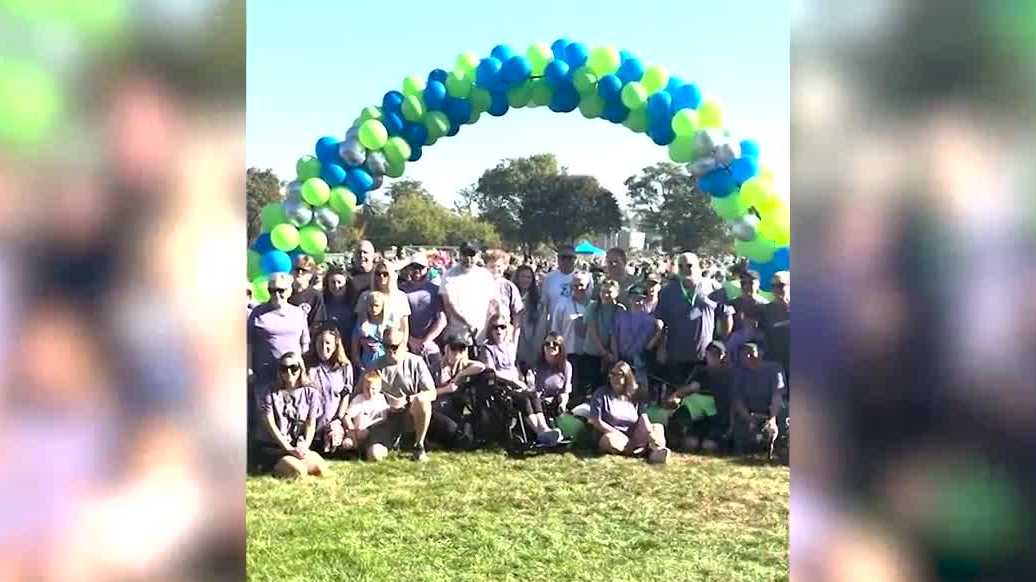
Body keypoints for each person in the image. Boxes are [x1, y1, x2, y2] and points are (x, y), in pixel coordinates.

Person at [254, 352, 329, 478]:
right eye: (284, 369)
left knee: (321, 469)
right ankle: (273, 467)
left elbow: (311, 424)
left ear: (301, 369)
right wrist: (288, 448)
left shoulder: (311, 392)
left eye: (293, 368)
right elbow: (271, 426)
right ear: (279, 371)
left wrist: (304, 446)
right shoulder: (270, 393)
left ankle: (292, 464)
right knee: (299, 472)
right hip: (276, 447)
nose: (289, 372)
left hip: (298, 446)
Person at [656, 252, 723, 386]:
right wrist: (661, 348)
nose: (685, 269)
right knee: (676, 397)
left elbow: (726, 314)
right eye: (681, 266)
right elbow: (662, 323)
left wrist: (722, 344)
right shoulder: (667, 291)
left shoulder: (714, 288)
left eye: (689, 265)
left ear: (698, 267)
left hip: (705, 355)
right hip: (676, 354)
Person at [372, 328, 438, 462]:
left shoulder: (416, 362)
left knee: (422, 400)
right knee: (374, 455)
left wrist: (407, 400)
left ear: (404, 345)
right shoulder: (376, 364)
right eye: (385, 346)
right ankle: (393, 445)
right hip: (386, 418)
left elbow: (432, 392)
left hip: (410, 414)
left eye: (394, 347)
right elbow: (361, 392)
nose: (390, 351)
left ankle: (419, 446)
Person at [588, 360, 670, 464]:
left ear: (627, 377)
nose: (615, 378)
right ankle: (641, 452)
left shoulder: (634, 395)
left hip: (634, 436)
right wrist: (616, 432)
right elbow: (596, 421)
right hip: (612, 434)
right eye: (612, 374)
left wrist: (650, 433)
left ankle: (657, 452)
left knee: (657, 427)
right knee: (609, 440)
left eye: (619, 374)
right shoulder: (601, 394)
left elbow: (643, 417)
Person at [665, 340, 734, 453]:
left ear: (724, 356)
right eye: (710, 353)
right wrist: (675, 396)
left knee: (709, 446)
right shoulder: (701, 371)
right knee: (690, 443)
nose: (713, 357)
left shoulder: (730, 374)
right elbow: (691, 388)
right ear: (706, 354)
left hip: (719, 418)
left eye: (717, 354)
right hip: (699, 417)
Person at [247, 272, 310, 385]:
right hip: (264, 373)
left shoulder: (299, 313)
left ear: (289, 291)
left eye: (281, 290)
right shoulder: (257, 313)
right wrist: (249, 369)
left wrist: (304, 370)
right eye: (272, 290)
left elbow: (304, 343)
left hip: (292, 373)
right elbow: (248, 344)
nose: (276, 294)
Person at [731, 342, 786, 454]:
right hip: (750, 413)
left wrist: (772, 419)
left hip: (771, 410)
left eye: (751, 353)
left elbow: (777, 395)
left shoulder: (774, 368)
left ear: (760, 353)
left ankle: (781, 446)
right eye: (744, 354)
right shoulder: (740, 373)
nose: (748, 357)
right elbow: (738, 400)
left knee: (785, 410)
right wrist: (749, 419)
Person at [306, 326, 354, 455]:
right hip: (309, 423)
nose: (323, 347)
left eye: (328, 343)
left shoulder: (345, 366)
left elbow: (345, 395)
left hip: (332, 422)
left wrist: (338, 419)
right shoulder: (307, 364)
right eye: (320, 342)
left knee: (339, 446)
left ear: (335, 345)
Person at [399, 252, 447, 375]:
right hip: (406, 343)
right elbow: (397, 319)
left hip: (430, 344)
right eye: (414, 267)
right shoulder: (400, 290)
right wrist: (409, 339)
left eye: (420, 267)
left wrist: (426, 340)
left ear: (427, 269)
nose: (417, 270)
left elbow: (441, 319)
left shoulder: (435, 290)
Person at [549, 270, 594, 403]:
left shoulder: (593, 306)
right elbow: (555, 331)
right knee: (570, 389)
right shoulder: (562, 305)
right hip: (569, 353)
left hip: (589, 354)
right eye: (575, 285)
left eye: (582, 285)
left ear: (588, 286)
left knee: (585, 391)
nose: (579, 288)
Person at [611, 284, 665, 389]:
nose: (638, 301)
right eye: (634, 298)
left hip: (641, 362)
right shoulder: (620, 316)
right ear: (629, 299)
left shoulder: (651, 320)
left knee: (639, 392)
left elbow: (654, 343)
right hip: (621, 359)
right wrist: (615, 356)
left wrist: (659, 333)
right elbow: (613, 337)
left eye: (641, 299)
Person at [440, 241, 496, 341]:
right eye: (465, 255)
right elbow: (448, 304)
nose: (468, 259)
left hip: (481, 334)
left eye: (472, 255)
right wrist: (465, 321)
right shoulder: (449, 275)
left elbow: (492, 303)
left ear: (478, 255)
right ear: (460, 255)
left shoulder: (485, 275)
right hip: (456, 334)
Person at [340, 369, 392, 461]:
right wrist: (352, 429)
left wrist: (367, 429)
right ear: (363, 387)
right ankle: (355, 453)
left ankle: (371, 452)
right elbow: (347, 416)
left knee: (375, 452)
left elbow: (383, 418)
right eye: (367, 389)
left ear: (379, 388)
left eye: (373, 389)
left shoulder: (381, 399)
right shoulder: (359, 399)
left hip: (373, 433)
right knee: (347, 444)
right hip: (357, 433)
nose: (370, 392)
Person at [583, 279, 624, 393]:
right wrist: (604, 353)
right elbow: (592, 331)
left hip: (612, 355)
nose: (605, 295)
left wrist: (613, 355)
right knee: (593, 388)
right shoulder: (593, 307)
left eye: (609, 292)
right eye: (603, 291)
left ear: (617, 293)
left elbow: (615, 334)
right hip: (593, 353)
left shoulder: (620, 309)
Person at [355, 258, 411, 340]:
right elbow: (358, 326)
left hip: (393, 346)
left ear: (391, 274)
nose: (381, 276)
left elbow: (404, 329)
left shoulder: (401, 297)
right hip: (369, 345)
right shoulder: (365, 296)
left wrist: (402, 348)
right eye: (378, 274)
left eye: (385, 274)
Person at [351, 291, 396, 374]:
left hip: (385, 365)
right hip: (366, 364)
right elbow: (355, 349)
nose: (374, 309)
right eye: (371, 305)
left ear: (382, 306)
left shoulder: (389, 325)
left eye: (377, 305)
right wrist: (360, 366)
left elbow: (394, 348)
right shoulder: (361, 324)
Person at [513, 264, 546, 374]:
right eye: (522, 276)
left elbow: (541, 329)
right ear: (517, 277)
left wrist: (535, 351)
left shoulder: (538, 300)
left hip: (530, 345)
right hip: (512, 342)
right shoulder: (510, 295)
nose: (525, 280)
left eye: (528, 277)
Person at [530, 332, 573, 412]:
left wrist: (562, 404)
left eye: (555, 344)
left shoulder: (566, 366)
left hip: (556, 404)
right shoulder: (537, 365)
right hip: (538, 404)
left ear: (560, 347)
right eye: (547, 344)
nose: (551, 346)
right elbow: (533, 388)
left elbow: (565, 392)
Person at [718, 269, 768, 338]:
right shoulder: (732, 304)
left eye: (751, 283)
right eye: (743, 283)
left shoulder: (765, 305)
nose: (746, 286)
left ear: (758, 284)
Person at [760, 271, 790, 382]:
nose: (777, 289)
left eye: (781, 285)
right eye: (774, 286)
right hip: (774, 362)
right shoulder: (766, 310)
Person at [484, 249, 524, 330]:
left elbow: (517, 314)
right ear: (486, 266)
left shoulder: (509, 287)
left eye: (498, 266)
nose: (495, 269)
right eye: (492, 266)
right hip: (482, 333)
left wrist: (514, 338)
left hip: (503, 333)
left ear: (505, 266)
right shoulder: (479, 285)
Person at [288, 255, 327, 334]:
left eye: (304, 270)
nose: (300, 273)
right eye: (297, 269)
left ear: (311, 274)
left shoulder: (315, 296)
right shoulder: (283, 292)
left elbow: (317, 323)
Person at [541, 243, 578, 324]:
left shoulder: (583, 278)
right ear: (558, 259)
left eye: (570, 258)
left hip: (576, 326)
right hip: (554, 325)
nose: (566, 260)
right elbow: (544, 305)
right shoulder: (549, 278)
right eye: (563, 257)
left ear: (575, 259)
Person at [321, 263, 353, 342]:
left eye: (339, 282)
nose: (336, 286)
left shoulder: (354, 302)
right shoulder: (322, 302)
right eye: (332, 282)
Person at [345, 239, 376, 307]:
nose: (362, 255)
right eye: (359, 252)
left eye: (365, 252)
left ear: (373, 256)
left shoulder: (380, 274)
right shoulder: (347, 276)